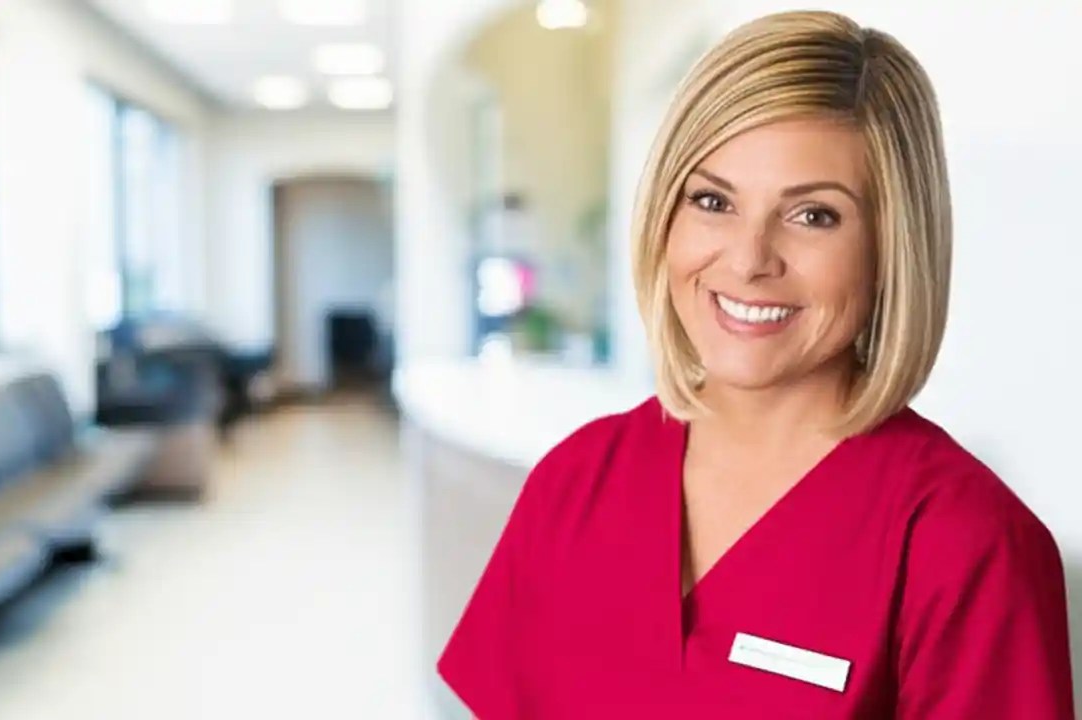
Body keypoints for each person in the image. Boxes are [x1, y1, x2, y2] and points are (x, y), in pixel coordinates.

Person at [435, 9, 1075, 719]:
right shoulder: (576, 482)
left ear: (891, 247)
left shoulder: (966, 544)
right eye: (713, 201)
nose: (747, 260)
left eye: (813, 216)